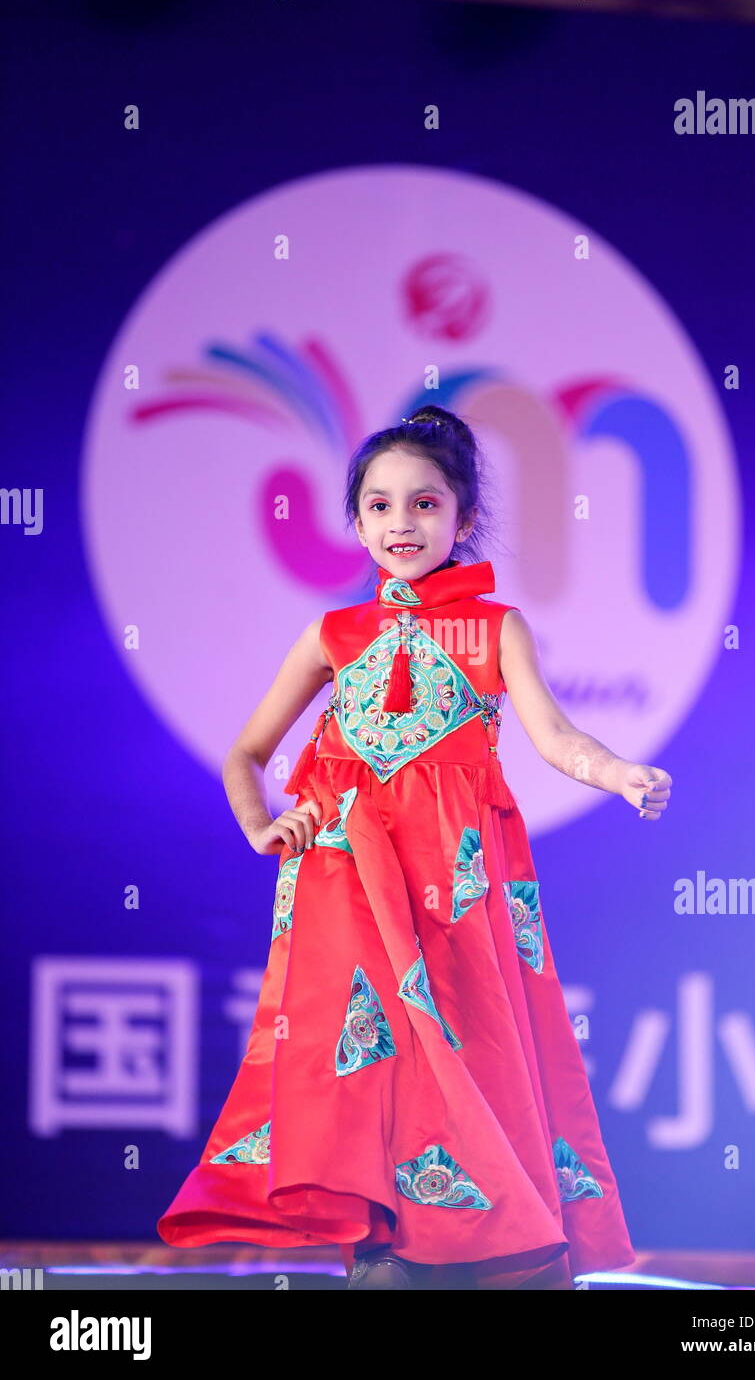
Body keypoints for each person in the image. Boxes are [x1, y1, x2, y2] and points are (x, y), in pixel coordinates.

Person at [156, 404, 672, 1290]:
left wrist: (618, 771)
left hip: (462, 886)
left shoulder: (496, 628)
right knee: (374, 1057)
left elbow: (554, 737)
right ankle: (385, 1242)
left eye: (427, 505)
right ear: (356, 521)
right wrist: (260, 824)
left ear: (463, 520)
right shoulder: (332, 636)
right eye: (383, 506)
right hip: (348, 881)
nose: (404, 524)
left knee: (478, 1048)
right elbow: (247, 753)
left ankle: (506, 1242)